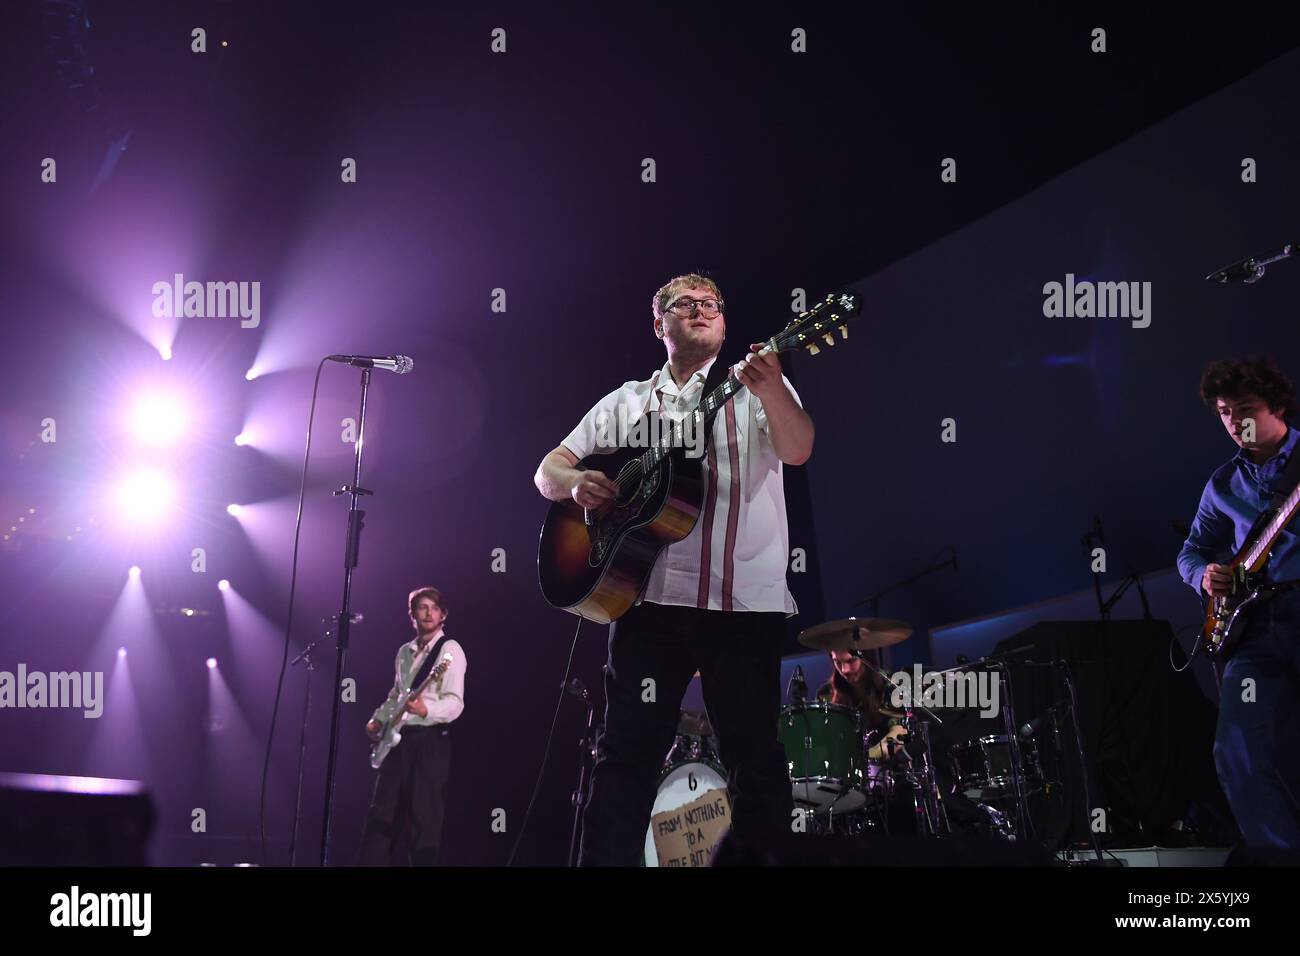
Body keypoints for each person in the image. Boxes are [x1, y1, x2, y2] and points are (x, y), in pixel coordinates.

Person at [535, 272, 813, 865]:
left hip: (740, 605)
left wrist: (773, 391)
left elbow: (798, 449)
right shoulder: (630, 401)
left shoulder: (757, 385)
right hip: (648, 603)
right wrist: (578, 481)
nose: (702, 309)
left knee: (756, 762)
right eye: (686, 304)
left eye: (713, 303)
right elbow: (546, 470)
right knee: (624, 760)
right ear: (659, 324)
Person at [1177, 355, 1300, 849]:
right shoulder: (1221, 484)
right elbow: (1192, 550)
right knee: (1236, 754)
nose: (1234, 422)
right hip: (1257, 628)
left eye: (1245, 408)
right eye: (1224, 413)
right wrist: (1203, 577)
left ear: (1277, 405)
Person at [357, 586, 466, 865]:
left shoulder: (449, 650)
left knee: (424, 823)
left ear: (443, 615)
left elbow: (455, 703)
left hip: (430, 742)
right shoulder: (404, 652)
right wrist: (378, 719)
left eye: (434, 608)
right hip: (398, 740)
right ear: (412, 615)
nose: (428, 613)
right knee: (381, 818)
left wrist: (426, 708)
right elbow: (397, 694)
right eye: (422, 607)